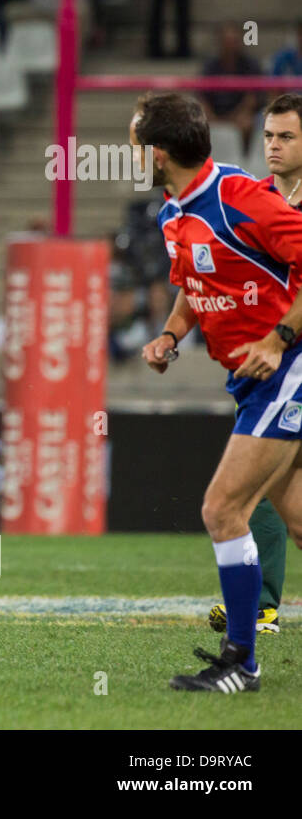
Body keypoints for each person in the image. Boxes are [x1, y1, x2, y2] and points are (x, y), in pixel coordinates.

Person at [137, 92, 302, 692]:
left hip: (287, 372)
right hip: (253, 381)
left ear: (158, 154)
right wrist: (170, 335)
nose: (130, 155)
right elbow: (193, 283)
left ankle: (242, 662)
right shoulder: (173, 213)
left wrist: (281, 337)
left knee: (222, 508)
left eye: (135, 145)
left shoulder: (240, 197)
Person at [205, 93, 302, 637]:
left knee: (256, 489)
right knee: (258, 488)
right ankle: (260, 605)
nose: (273, 146)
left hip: (289, 356)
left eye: (285, 137)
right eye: (268, 136)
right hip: (275, 367)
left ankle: (257, 608)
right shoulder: (257, 198)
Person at [200, 23, 263, 152]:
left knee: (247, 123)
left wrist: (234, 117)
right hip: (215, 114)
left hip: (241, 115)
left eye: (233, 41)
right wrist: (212, 117)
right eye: (226, 41)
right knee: (198, 124)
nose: (230, 45)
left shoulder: (250, 65)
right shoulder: (210, 66)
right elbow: (202, 97)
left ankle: (245, 160)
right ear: (220, 42)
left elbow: (252, 99)